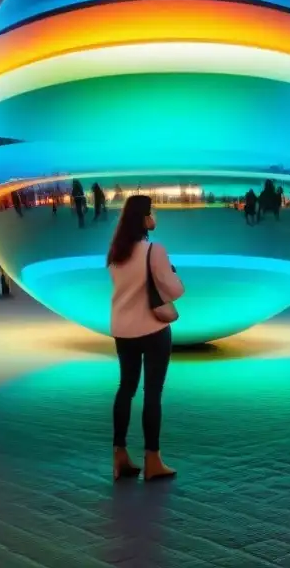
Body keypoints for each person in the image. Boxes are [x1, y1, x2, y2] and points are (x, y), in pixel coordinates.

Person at [107, 195, 184, 482]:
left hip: (122, 329)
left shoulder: (116, 253)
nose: (154, 217)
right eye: (151, 212)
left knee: (125, 388)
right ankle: (152, 459)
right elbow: (175, 290)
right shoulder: (154, 251)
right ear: (144, 218)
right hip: (153, 329)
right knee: (152, 393)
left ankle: (120, 456)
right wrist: (172, 274)